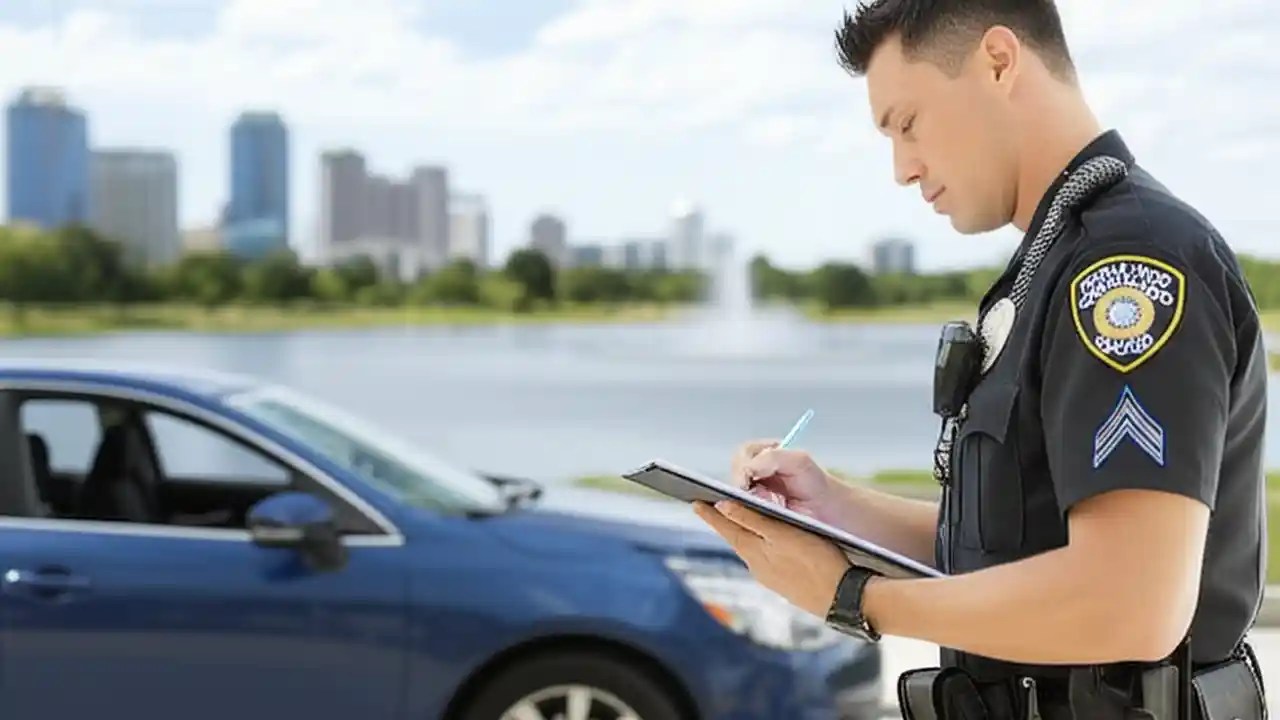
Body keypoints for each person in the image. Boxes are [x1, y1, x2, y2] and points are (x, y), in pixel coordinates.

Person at [693, 1, 1269, 718]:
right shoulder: (1055, 260)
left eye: (906, 123)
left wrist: (854, 598)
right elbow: (1021, 542)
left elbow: (1130, 603)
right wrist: (837, 508)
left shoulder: (1128, 264)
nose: (903, 169)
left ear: (998, 61)